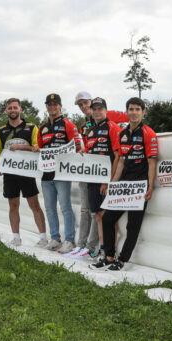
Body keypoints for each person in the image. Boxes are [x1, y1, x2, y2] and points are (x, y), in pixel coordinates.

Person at [94, 97, 159, 271]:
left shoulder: (148, 133)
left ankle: (122, 260)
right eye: (131, 109)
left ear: (143, 112)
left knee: (133, 225)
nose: (134, 112)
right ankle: (108, 256)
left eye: (137, 109)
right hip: (123, 185)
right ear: (127, 111)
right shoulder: (122, 134)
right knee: (107, 218)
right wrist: (111, 184)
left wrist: (150, 187)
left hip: (140, 185)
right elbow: (121, 162)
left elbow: (152, 162)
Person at [0, 98, 49, 248]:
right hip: (10, 173)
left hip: (27, 172)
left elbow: (38, 148)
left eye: (15, 108)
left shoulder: (31, 127)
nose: (12, 110)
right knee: (13, 205)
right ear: (6, 111)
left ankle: (43, 237)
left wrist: (21, 148)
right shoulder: (1, 131)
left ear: (20, 110)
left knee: (34, 204)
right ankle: (16, 237)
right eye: (9, 108)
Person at [37, 93, 82, 252]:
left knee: (65, 207)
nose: (52, 107)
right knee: (49, 208)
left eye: (55, 104)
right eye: (49, 104)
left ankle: (69, 240)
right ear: (47, 106)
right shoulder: (42, 128)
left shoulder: (69, 125)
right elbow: (40, 150)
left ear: (60, 106)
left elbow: (77, 147)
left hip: (62, 174)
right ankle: (55, 238)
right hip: (46, 174)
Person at [81, 97, 122, 260]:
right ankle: (104, 249)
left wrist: (109, 181)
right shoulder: (90, 129)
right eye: (94, 109)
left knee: (108, 217)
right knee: (98, 215)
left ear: (106, 110)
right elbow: (91, 153)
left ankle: (112, 250)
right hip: (93, 178)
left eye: (100, 108)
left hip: (108, 179)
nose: (97, 111)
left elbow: (118, 156)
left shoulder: (113, 127)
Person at [71, 91, 101, 259]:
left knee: (95, 212)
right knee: (84, 210)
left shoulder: (108, 119)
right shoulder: (83, 127)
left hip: (100, 173)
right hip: (86, 171)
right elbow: (86, 146)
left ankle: (91, 246)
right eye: (80, 105)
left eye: (85, 103)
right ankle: (81, 244)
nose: (84, 107)